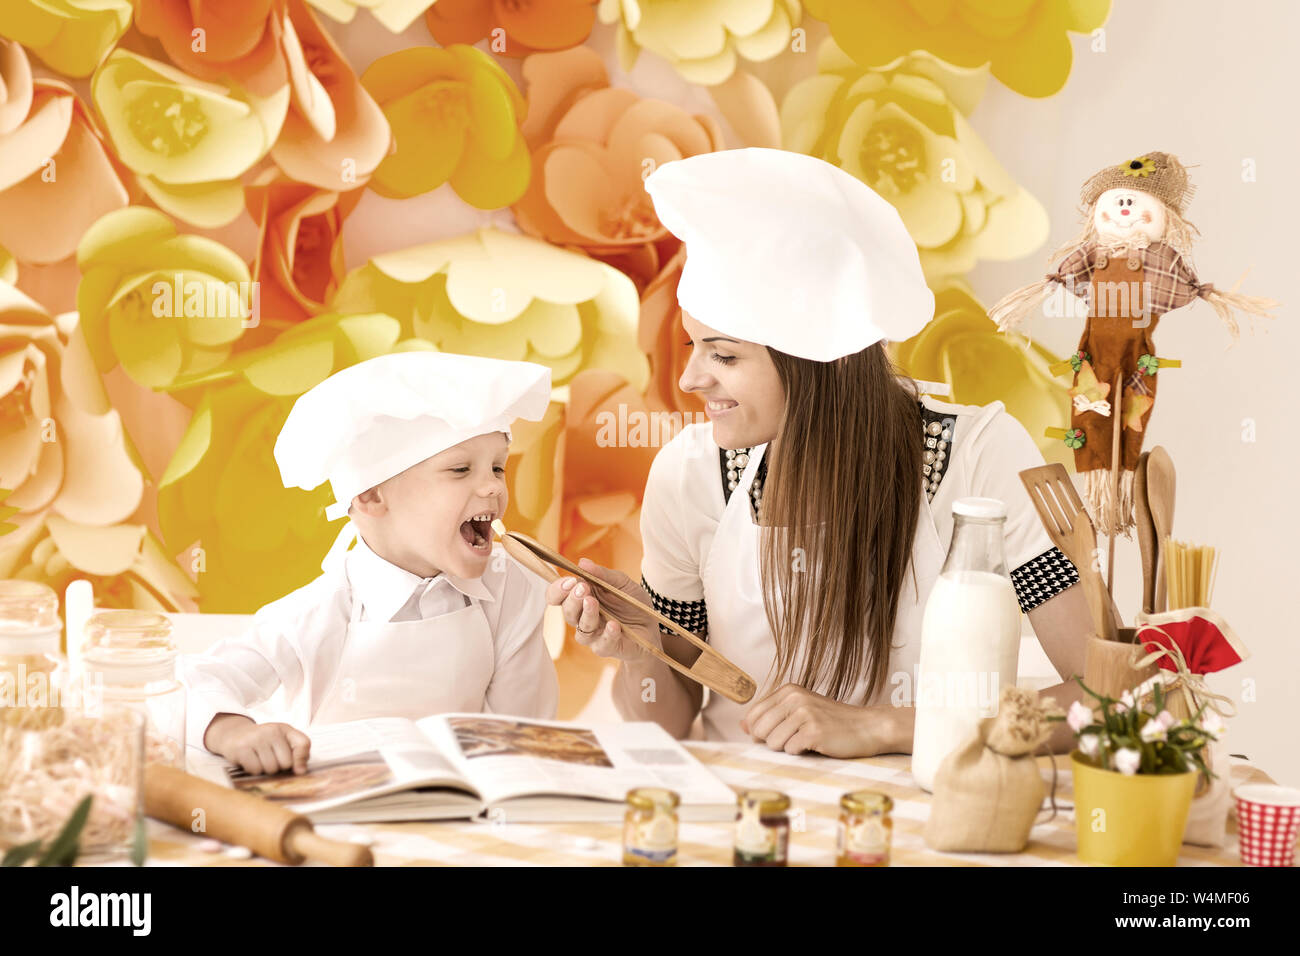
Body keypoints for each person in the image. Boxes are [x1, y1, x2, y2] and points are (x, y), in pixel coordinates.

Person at [547, 147, 1103, 757]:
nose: (689, 380)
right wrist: (642, 643)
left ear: (817, 362)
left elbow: (1105, 698)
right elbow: (669, 723)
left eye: (724, 355)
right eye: (693, 346)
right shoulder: (691, 476)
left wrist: (884, 725)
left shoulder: (975, 458)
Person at [181, 351, 559, 775]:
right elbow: (194, 684)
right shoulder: (320, 612)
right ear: (371, 496)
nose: (492, 487)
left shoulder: (512, 590)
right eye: (459, 469)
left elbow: (525, 736)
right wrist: (234, 731)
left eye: (497, 467)